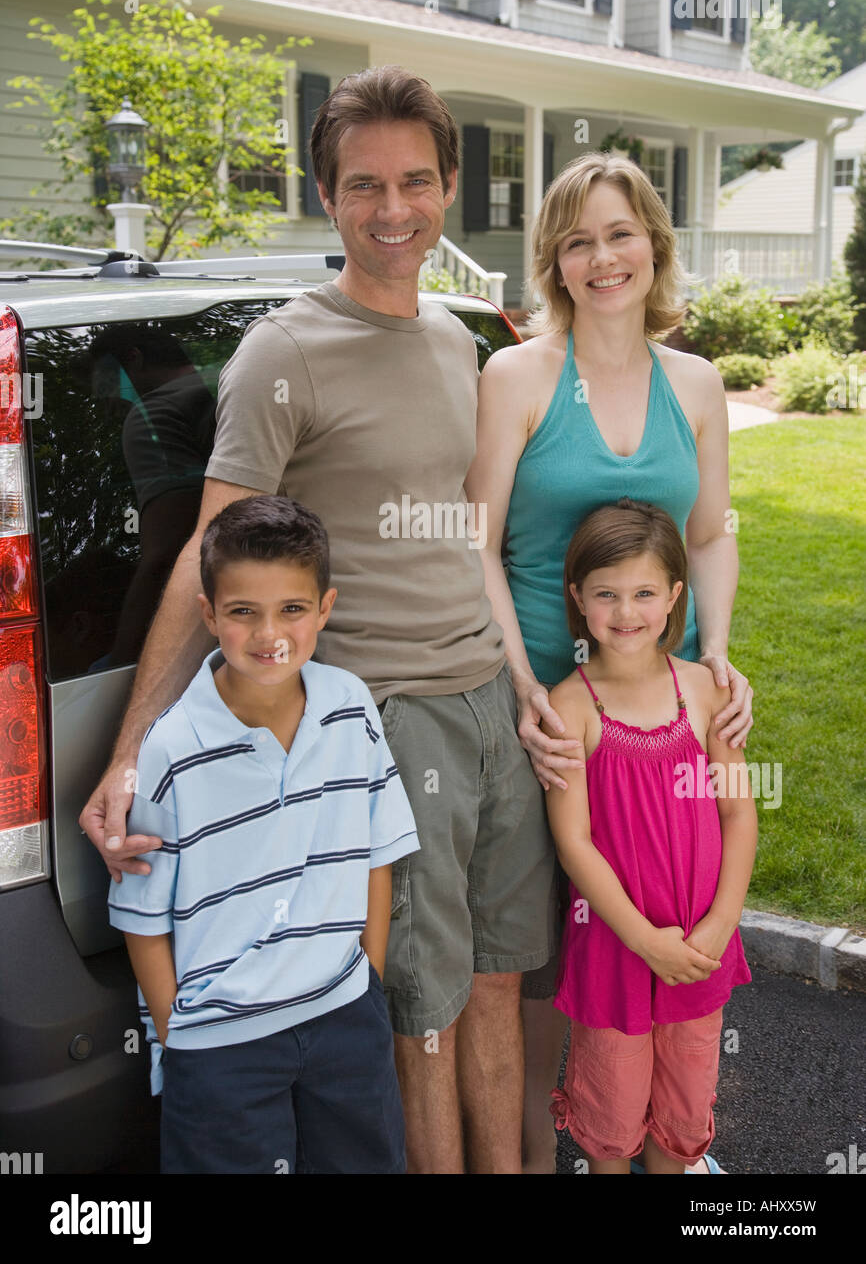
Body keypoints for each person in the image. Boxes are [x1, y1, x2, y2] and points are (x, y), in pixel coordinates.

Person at [81, 65, 558, 1175]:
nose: (392, 210)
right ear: (326, 197)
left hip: (488, 703)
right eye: (362, 186)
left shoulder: (452, 338)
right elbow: (211, 563)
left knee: (494, 986)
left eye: (414, 182)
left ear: (446, 189)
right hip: (392, 719)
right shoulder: (283, 353)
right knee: (420, 1011)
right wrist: (128, 750)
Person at [464, 150, 754, 1171]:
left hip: (656, 714)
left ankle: (672, 1133)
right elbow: (478, 542)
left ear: (653, 246)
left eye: (618, 232)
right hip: (543, 716)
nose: (601, 257)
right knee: (549, 954)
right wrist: (520, 684)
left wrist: (714, 657)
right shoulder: (516, 375)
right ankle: (567, 1140)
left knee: (665, 921)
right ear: (552, 258)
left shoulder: (696, 381)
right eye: (577, 239)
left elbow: (709, 533)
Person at [107, 496, 418, 1173]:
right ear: (209, 613)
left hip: (344, 1020)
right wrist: (179, 1037)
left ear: (325, 608)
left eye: (292, 609)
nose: (268, 633)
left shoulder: (348, 706)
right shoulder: (172, 748)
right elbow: (142, 915)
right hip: (221, 1049)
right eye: (243, 611)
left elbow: (378, 853)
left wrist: (365, 977)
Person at [545, 498, 756, 1175]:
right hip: (617, 951)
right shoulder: (568, 707)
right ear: (578, 598)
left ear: (674, 597)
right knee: (611, 1119)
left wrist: (722, 923)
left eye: (643, 593)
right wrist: (642, 938)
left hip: (700, 947)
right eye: (606, 594)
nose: (626, 611)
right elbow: (573, 841)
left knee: (682, 1114)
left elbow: (738, 813)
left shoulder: (705, 693)